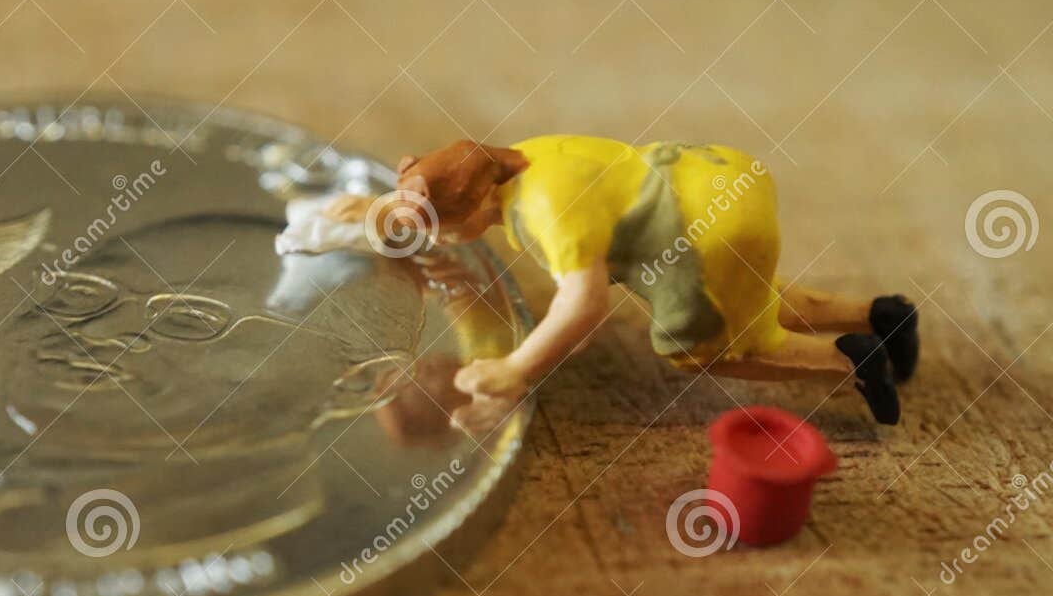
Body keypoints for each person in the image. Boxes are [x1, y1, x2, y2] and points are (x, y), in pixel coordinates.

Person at [344, 136, 919, 425]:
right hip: (715, 175)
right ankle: (883, 316)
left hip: (699, 231)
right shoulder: (523, 157)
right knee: (748, 298)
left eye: (441, 229)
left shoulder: (544, 212)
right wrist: (380, 210)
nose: (439, 240)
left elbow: (585, 304)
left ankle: (851, 361)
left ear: (469, 203)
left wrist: (516, 369)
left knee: (706, 348)